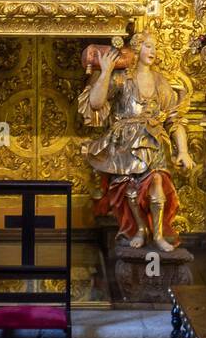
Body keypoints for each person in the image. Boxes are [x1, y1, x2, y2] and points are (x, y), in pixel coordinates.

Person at [79, 31, 192, 253]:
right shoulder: (122, 78)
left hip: (154, 140)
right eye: (148, 46)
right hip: (125, 144)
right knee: (130, 189)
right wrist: (106, 71)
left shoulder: (161, 82)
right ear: (137, 49)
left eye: (155, 47)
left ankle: (158, 234)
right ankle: (140, 230)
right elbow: (95, 103)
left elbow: (174, 119)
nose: (153, 51)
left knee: (157, 181)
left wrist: (184, 151)